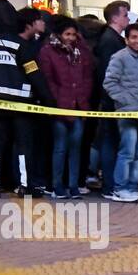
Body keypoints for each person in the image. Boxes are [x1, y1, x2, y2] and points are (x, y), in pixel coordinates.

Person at [0, 5, 53, 198]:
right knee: (23, 145)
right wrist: (49, 101)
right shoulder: (20, 45)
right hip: (20, 102)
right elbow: (33, 73)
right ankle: (24, 185)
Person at [38, 15, 94, 198]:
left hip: (78, 105)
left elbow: (87, 78)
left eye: (73, 34)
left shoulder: (82, 52)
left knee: (76, 148)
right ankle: (57, 185)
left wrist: (82, 99)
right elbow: (48, 79)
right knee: (60, 147)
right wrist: (57, 101)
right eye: (67, 34)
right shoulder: (48, 51)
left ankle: (73, 184)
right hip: (59, 107)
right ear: (58, 34)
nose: (70, 37)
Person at [103, 21, 138, 202]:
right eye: (134, 37)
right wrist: (127, 102)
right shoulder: (119, 57)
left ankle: (133, 187)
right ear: (126, 39)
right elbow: (109, 83)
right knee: (127, 152)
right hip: (127, 114)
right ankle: (120, 188)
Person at [92, 0, 130, 197]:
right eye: (125, 15)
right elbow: (108, 74)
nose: (128, 18)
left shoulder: (113, 40)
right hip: (111, 101)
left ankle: (110, 182)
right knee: (110, 142)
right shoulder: (110, 41)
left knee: (111, 141)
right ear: (115, 17)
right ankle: (110, 184)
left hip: (112, 99)